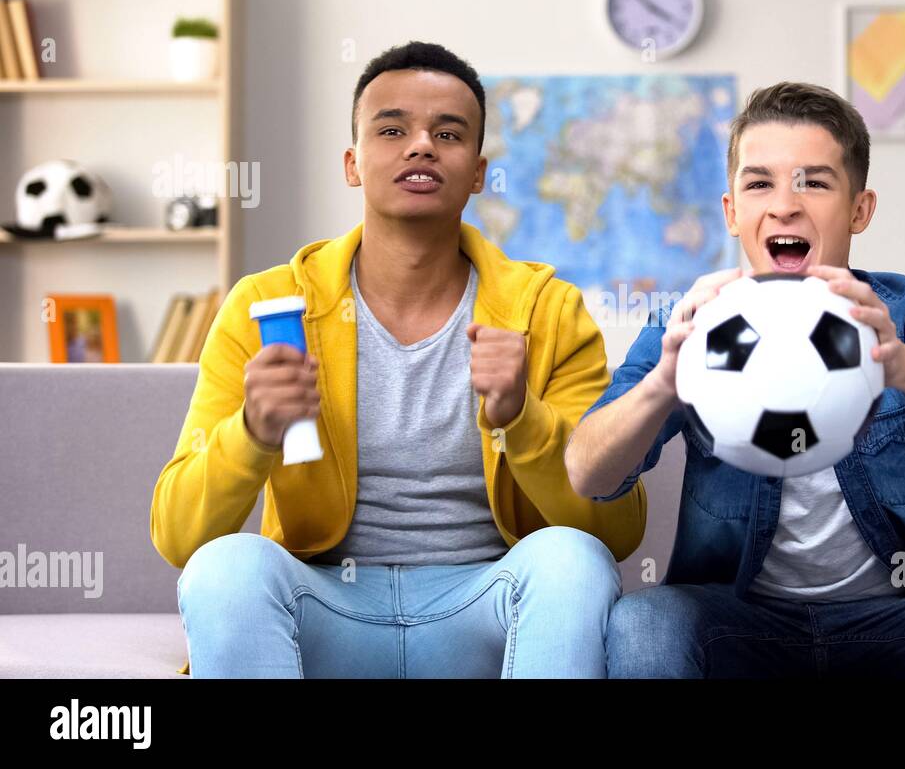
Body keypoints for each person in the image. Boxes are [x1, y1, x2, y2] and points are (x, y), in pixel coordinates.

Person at [152, 41, 646, 678]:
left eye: (448, 133)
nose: (421, 146)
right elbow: (177, 536)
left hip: (484, 610)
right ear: (354, 163)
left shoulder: (547, 312)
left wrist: (523, 418)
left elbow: (617, 529)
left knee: (572, 558)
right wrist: (250, 433)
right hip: (326, 608)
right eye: (392, 129)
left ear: (476, 171)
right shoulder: (268, 305)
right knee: (225, 567)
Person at [565, 82, 905, 678]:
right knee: (645, 621)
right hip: (741, 622)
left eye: (814, 182)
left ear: (860, 209)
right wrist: (663, 384)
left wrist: (901, 362)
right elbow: (588, 475)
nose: (784, 205)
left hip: (903, 618)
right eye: (759, 183)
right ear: (731, 211)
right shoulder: (692, 321)